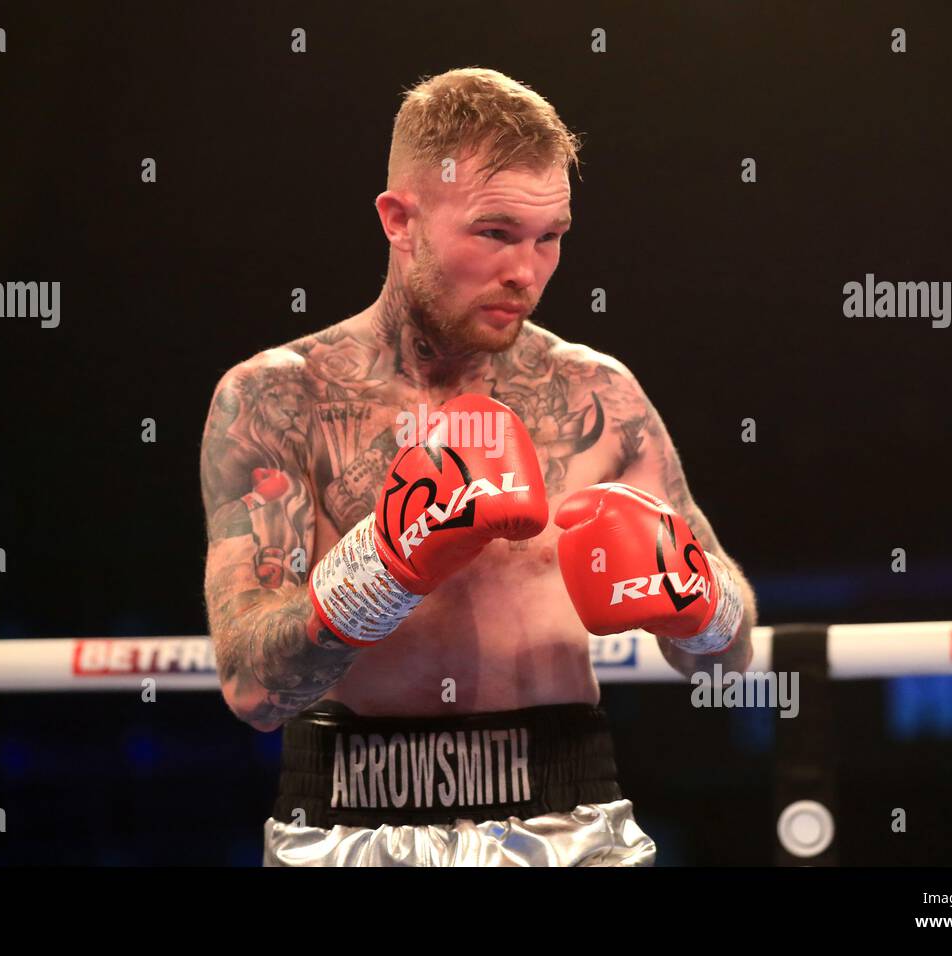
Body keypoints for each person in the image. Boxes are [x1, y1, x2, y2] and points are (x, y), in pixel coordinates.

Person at [200, 67, 757, 866]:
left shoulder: (597, 395)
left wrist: (703, 604)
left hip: (573, 821)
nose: (525, 272)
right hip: (350, 824)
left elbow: (729, 663)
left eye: (551, 237)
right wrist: (386, 566)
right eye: (495, 233)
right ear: (400, 220)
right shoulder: (278, 398)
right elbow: (254, 691)